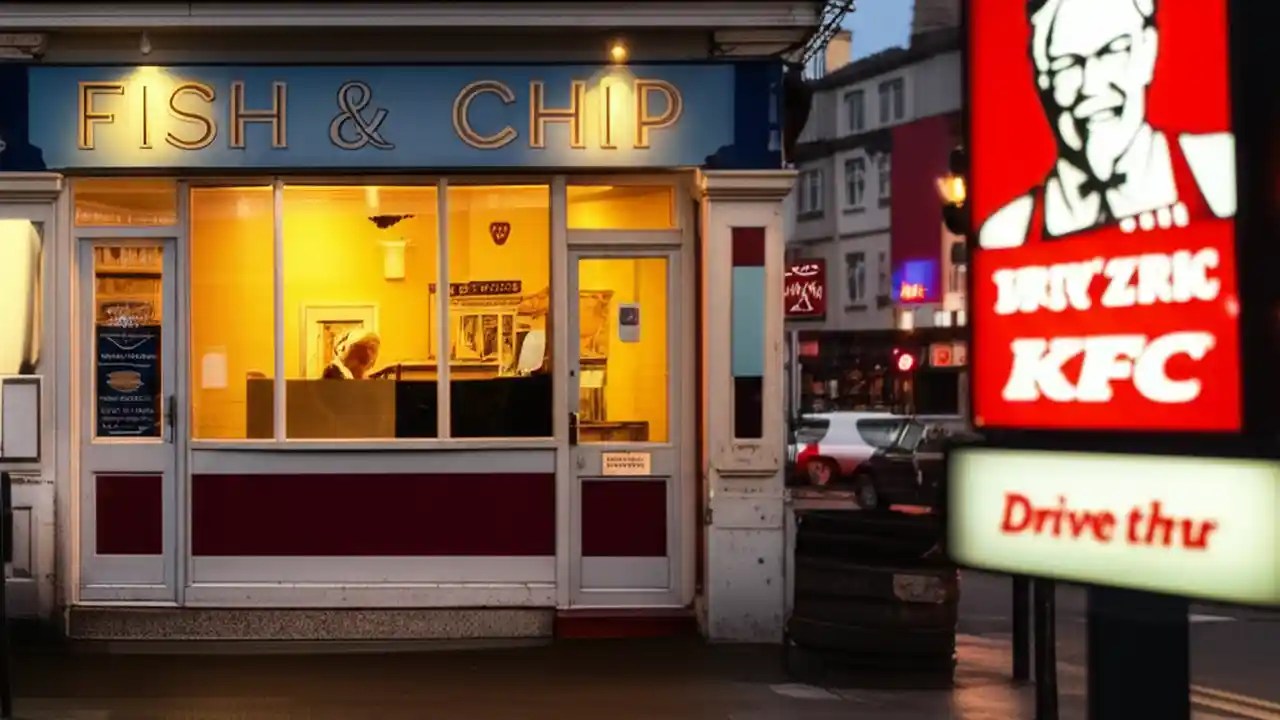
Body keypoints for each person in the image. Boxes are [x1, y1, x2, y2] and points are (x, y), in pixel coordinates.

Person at [978, 0, 1236, 249]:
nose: (1092, 85)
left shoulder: (1217, 170)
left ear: (1148, 50)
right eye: (1067, 64)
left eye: (1113, 50)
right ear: (1043, 80)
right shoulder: (1007, 233)